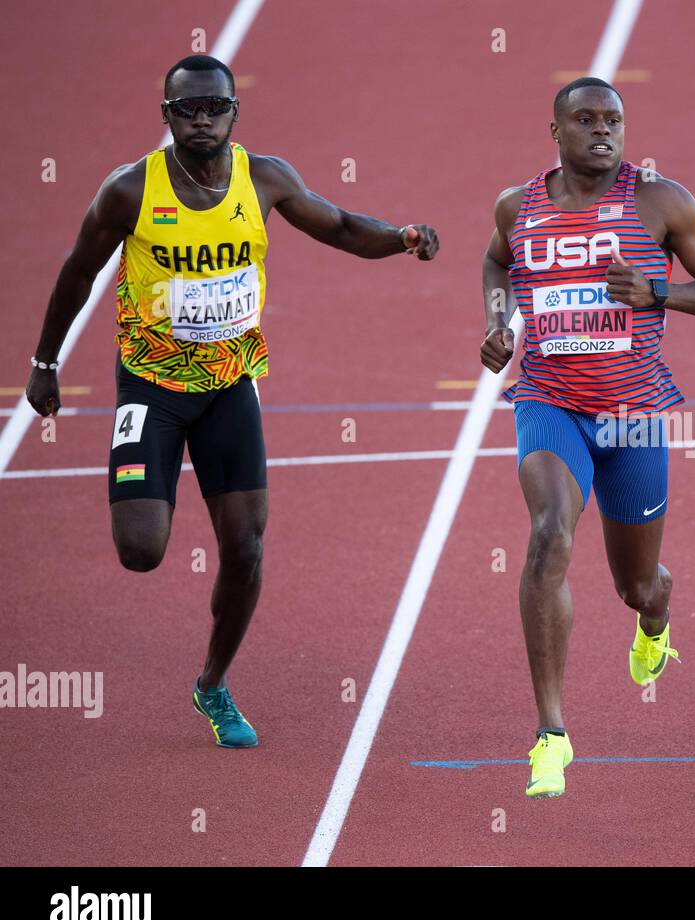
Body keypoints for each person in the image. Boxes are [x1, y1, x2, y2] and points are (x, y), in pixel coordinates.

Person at [24, 55, 438, 748]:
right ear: (166, 116)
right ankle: (148, 477)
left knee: (245, 547)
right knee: (141, 551)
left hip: (228, 385)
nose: (202, 119)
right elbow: (78, 270)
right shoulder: (129, 191)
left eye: (215, 106)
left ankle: (212, 686)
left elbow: (337, 226)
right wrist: (44, 362)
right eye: (187, 109)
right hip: (151, 387)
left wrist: (398, 239)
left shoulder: (265, 178)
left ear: (234, 112)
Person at [480, 77, 695, 797]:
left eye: (614, 120)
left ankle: (655, 619)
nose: (603, 131)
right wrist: (500, 323)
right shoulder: (519, 207)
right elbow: (497, 261)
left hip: (633, 415)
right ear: (555, 131)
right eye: (587, 120)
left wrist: (661, 293)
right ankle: (551, 734)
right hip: (549, 401)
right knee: (548, 535)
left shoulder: (660, 202)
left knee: (635, 585)